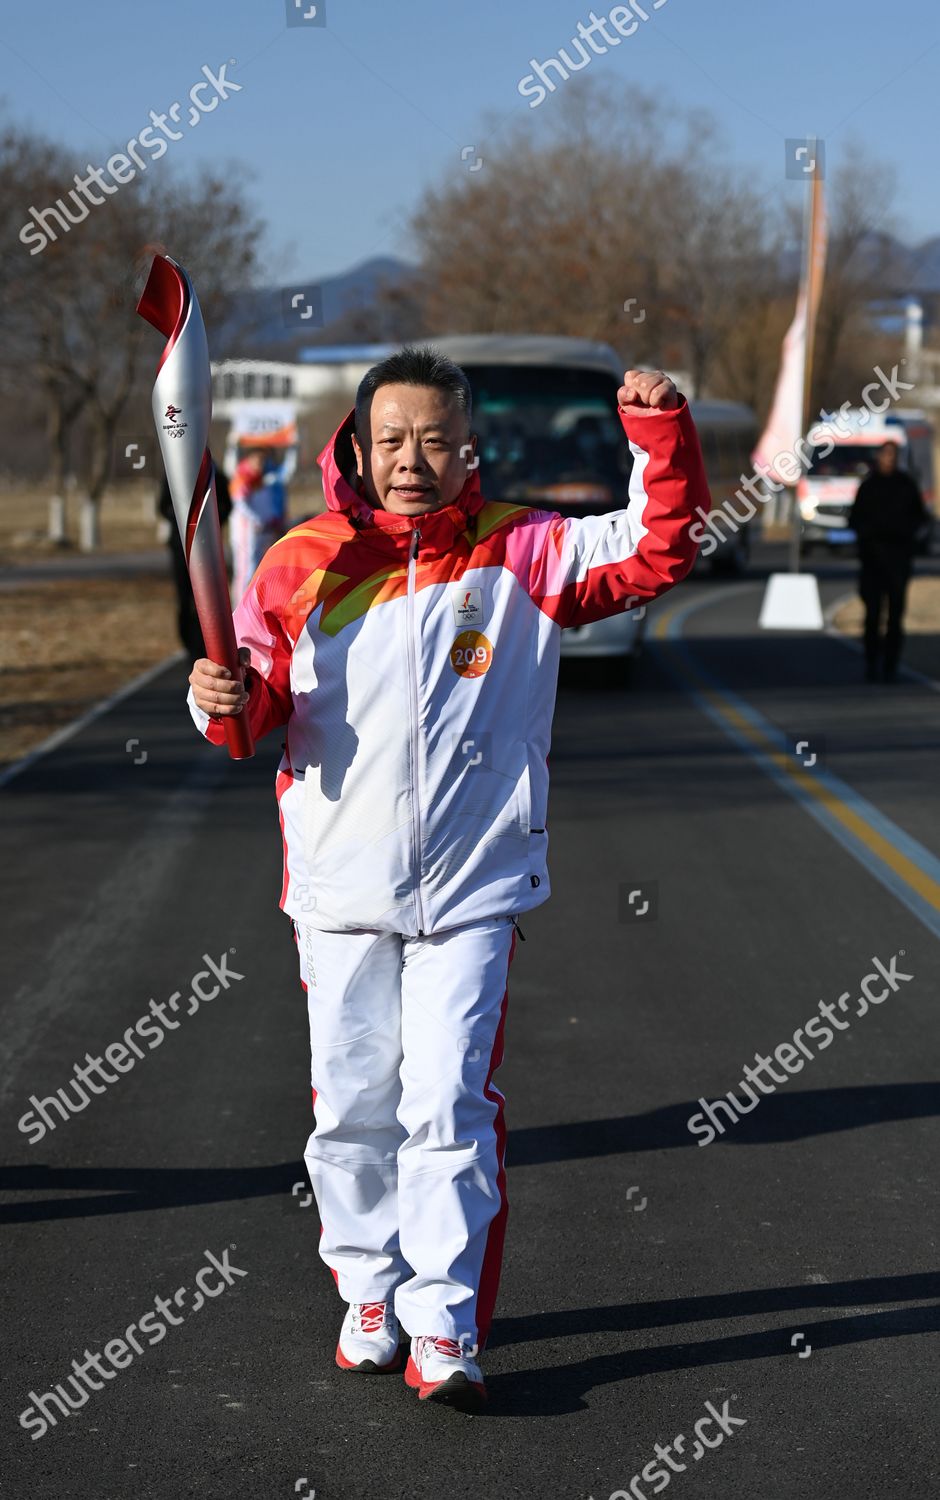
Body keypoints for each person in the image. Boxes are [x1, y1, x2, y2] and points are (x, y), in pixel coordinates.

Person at [186, 346, 710, 1412]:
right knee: (352, 1111)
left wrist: (658, 432)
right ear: (360, 445)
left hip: (472, 884)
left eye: (435, 439)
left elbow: (660, 548)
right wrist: (220, 698)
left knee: (447, 1101)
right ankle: (369, 1294)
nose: (412, 459)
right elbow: (252, 719)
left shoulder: (520, 550)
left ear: (469, 446)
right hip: (339, 890)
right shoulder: (299, 563)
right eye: (392, 440)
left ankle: (444, 1317)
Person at [849, 441, 929, 682]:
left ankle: (891, 665)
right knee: (873, 614)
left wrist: (909, 538)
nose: (889, 460)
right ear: (879, 457)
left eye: (893, 456)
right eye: (886, 455)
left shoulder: (906, 485)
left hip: (898, 560)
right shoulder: (869, 486)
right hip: (873, 560)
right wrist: (867, 537)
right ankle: (872, 662)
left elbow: (920, 518)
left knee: (895, 617)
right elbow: (854, 519)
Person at [158, 463, 231, 661]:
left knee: (207, 598)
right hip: (179, 545)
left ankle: (206, 643)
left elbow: (227, 505)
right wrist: (183, 520)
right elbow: (162, 506)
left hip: (207, 548)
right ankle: (188, 643)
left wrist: (210, 523)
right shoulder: (173, 475)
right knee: (184, 599)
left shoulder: (214, 474)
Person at [229, 446, 288, 603]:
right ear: (248, 459)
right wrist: (258, 520)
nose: (260, 464)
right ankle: (239, 608)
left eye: (263, 460)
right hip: (245, 532)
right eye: (257, 459)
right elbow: (240, 504)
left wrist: (272, 520)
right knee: (245, 571)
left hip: (259, 532)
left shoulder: (260, 478)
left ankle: (253, 606)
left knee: (257, 570)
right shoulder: (242, 477)